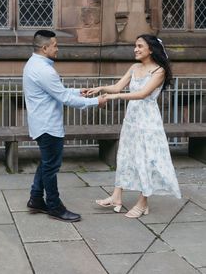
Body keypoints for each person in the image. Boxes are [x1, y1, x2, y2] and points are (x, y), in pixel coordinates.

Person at [87, 34, 181, 218]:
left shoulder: (159, 71)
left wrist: (115, 97)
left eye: (139, 46)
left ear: (151, 49)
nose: (135, 49)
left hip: (148, 122)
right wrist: (101, 89)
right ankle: (116, 196)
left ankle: (143, 202)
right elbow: (117, 87)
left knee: (146, 160)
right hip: (132, 121)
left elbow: (143, 94)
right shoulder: (134, 67)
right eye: (135, 46)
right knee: (125, 155)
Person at [23, 30, 107, 222]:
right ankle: (54, 206)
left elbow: (56, 92)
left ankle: (36, 199)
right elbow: (64, 98)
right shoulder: (44, 70)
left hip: (41, 123)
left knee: (46, 162)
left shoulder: (33, 64)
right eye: (55, 45)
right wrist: (95, 102)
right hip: (48, 126)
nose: (57, 49)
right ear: (45, 48)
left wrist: (79, 91)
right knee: (51, 167)